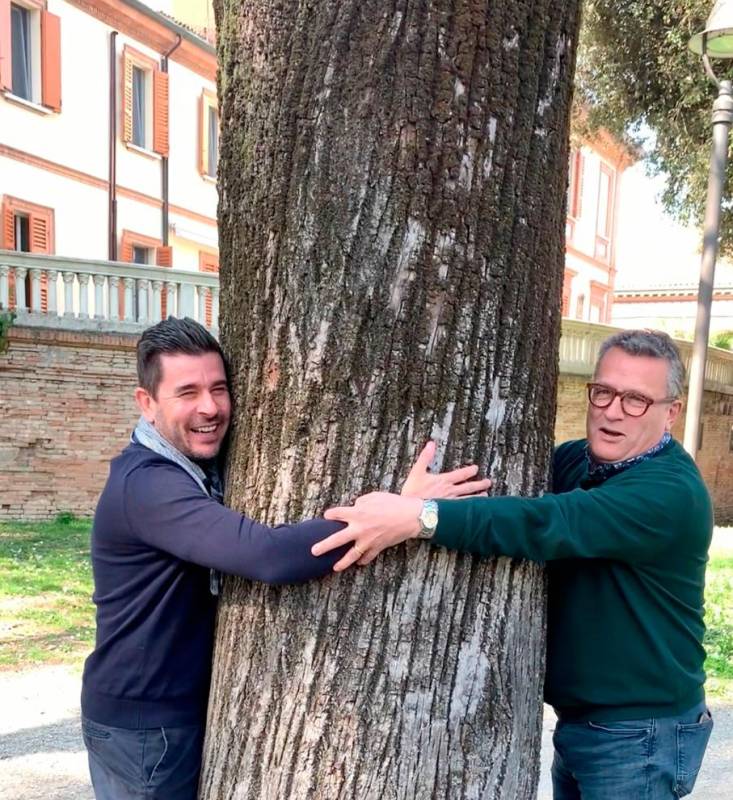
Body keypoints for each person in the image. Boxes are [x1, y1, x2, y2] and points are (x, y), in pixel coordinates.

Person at [81, 316, 490, 800]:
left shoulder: (185, 467)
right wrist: (390, 514)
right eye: (187, 393)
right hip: (146, 726)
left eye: (219, 388)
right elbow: (268, 555)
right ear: (147, 404)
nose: (210, 407)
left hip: (153, 716)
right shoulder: (148, 484)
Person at [313, 329, 715, 800]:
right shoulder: (579, 462)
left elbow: (545, 522)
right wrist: (421, 495)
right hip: (593, 724)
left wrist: (416, 518)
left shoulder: (667, 493)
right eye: (603, 391)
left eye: (635, 400)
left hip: (641, 732)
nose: (611, 410)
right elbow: (500, 490)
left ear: (672, 411)